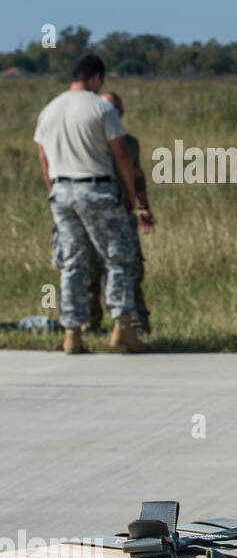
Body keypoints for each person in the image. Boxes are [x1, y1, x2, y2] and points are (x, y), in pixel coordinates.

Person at [35, 54, 147, 354]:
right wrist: (129, 193)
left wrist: (53, 189)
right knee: (118, 258)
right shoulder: (101, 108)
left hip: (62, 192)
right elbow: (121, 152)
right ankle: (122, 328)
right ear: (96, 78)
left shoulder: (50, 109)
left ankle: (72, 332)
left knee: (72, 262)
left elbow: (43, 156)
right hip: (95, 189)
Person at [76, 92, 153, 333]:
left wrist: (143, 206)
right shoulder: (86, 143)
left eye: (118, 110)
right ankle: (90, 323)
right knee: (90, 271)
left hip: (122, 213)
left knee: (130, 269)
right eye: (109, 110)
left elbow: (137, 174)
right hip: (90, 212)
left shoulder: (129, 143)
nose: (114, 115)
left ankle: (135, 323)